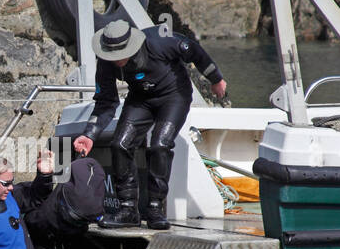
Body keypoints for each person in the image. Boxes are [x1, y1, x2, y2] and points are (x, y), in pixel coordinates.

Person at [72, 20, 227, 231]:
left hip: (174, 96)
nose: (117, 60)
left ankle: (155, 208)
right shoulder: (106, 62)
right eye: (113, 55)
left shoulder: (159, 42)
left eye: (121, 54)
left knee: (160, 145)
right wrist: (90, 134)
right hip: (140, 99)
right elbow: (106, 102)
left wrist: (215, 79)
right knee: (120, 145)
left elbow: (193, 50)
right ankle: (128, 210)